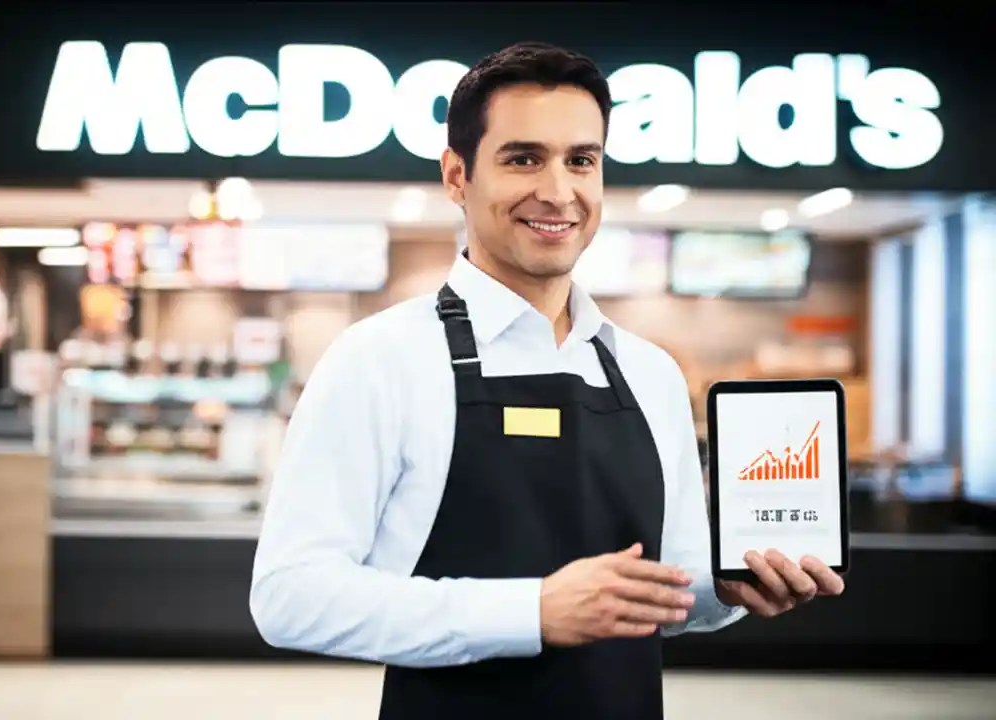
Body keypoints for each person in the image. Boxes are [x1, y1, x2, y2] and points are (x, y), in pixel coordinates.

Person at [249, 42, 845, 718]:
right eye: (523, 159)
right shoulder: (380, 359)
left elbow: (672, 588)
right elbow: (289, 596)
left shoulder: (649, 372)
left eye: (581, 161)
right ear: (457, 176)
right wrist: (531, 611)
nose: (558, 192)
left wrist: (730, 590)